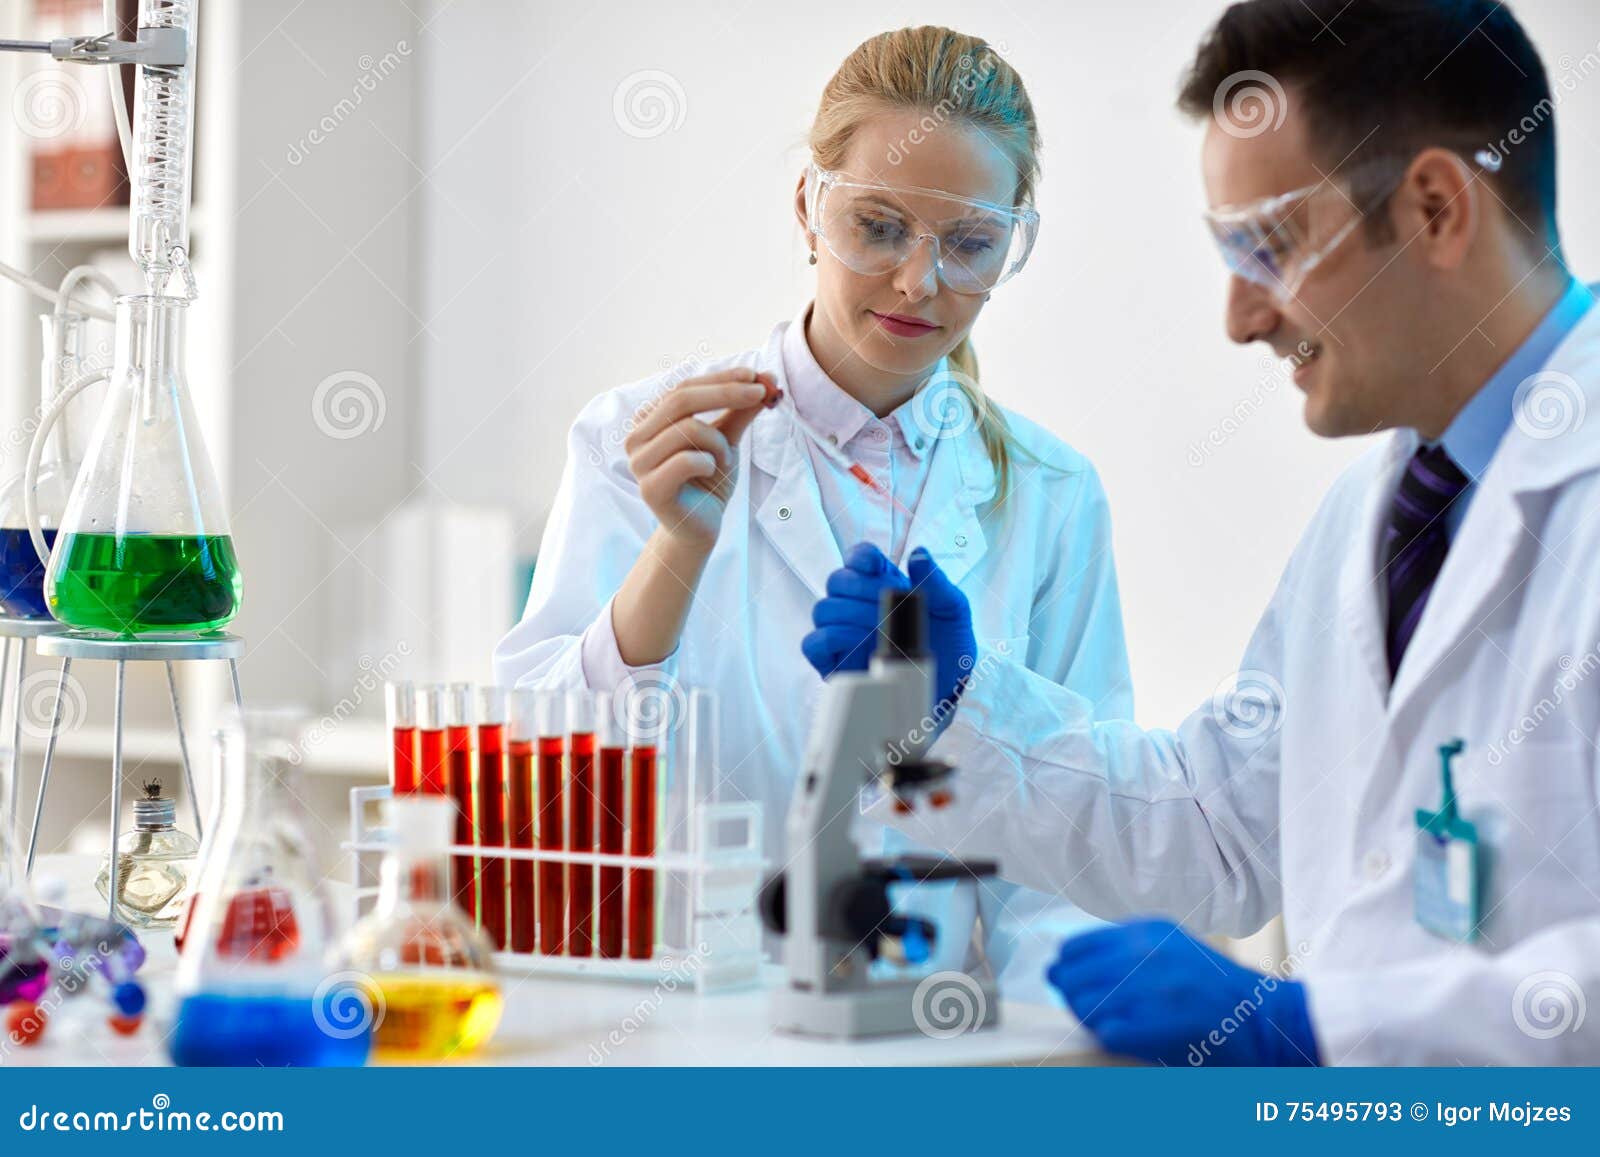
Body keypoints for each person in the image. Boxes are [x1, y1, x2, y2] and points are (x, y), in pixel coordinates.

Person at [818, 0, 1600, 1064]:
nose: (1242, 316)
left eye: (1269, 244)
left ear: (1430, 208)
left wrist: (1321, 1029)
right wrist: (962, 706)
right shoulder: (1373, 515)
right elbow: (1221, 819)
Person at [494, 26, 1135, 996]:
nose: (920, 282)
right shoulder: (641, 439)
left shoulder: (1050, 491)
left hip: (933, 1037)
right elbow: (539, 788)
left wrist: (1047, 1057)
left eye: (968, 243)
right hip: (678, 1023)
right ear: (808, 207)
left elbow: (1076, 837)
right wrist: (678, 548)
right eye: (877, 226)